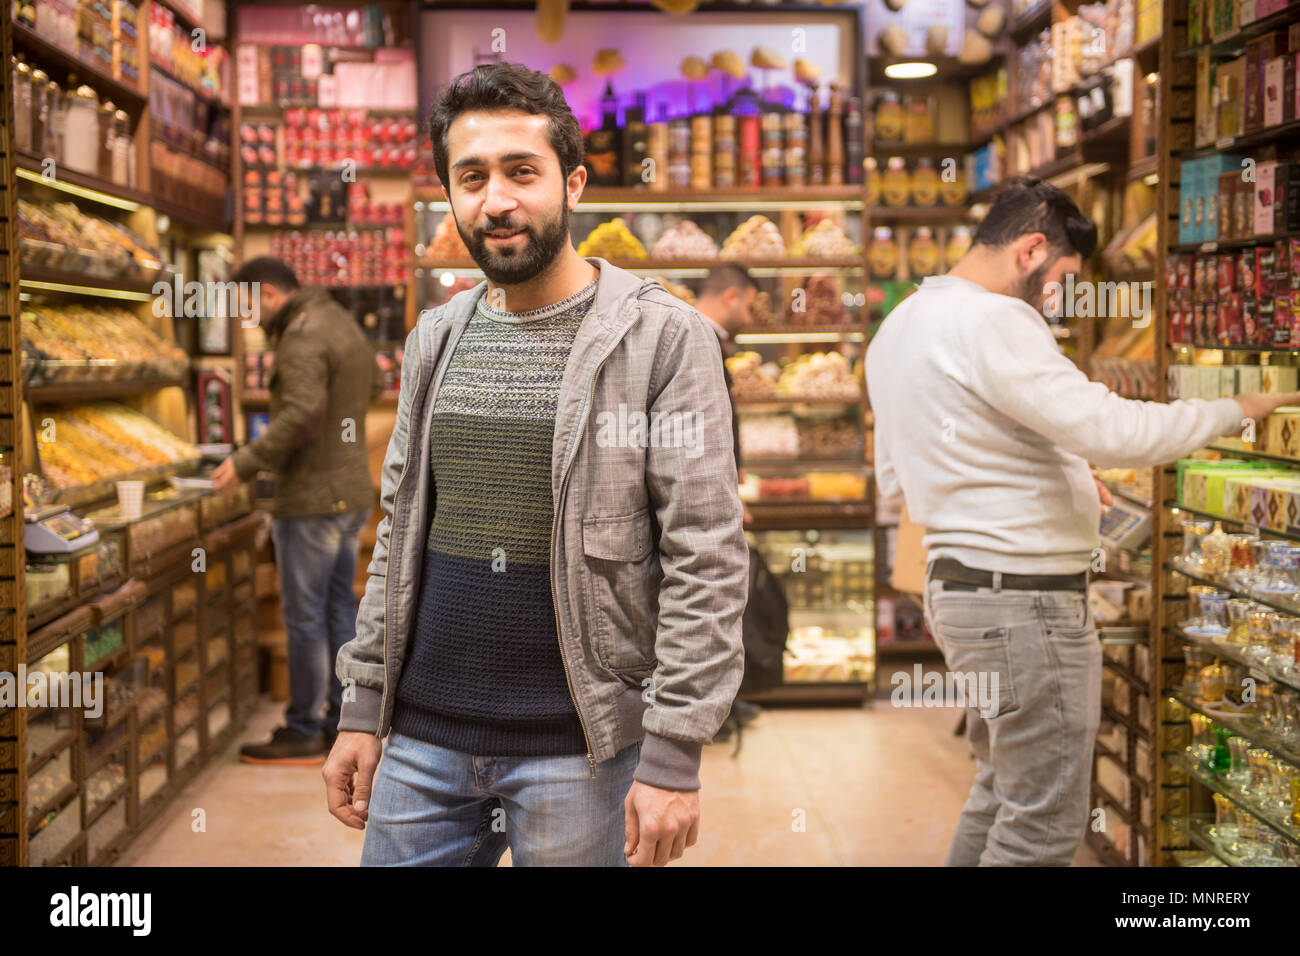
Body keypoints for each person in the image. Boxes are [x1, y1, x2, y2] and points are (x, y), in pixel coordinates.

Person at [325, 62, 748, 867]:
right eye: (471, 177)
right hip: (422, 739)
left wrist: (674, 749)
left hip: (579, 749)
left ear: (575, 182)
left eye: (523, 171)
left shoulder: (663, 340)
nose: (497, 200)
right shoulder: (434, 340)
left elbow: (708, 553)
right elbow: (397, 536)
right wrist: (362, 700)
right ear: (450, 193)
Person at [866, 176, 1300, 867]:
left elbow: (903, 476)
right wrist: (1234, 411)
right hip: (1026, 606)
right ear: (1031, 248)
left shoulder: (900, 326)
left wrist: (1052, 473)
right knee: (1042, 826)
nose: (1058, 300)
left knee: (1001, 790)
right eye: (1062, 278)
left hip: (964, 596)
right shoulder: (995, 320)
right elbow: (1110, 428)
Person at [210, 257, 382, 765]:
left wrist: (245, 462)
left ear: (267, 293)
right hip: (349, 491)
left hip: (310, 499)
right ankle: (341, 721)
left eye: (247, 303)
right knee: (336, 612)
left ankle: (305, 727)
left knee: (304, 618)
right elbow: (371, 385)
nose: (248, 316)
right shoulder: (337, 319)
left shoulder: (301, 335)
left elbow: (302, 412)